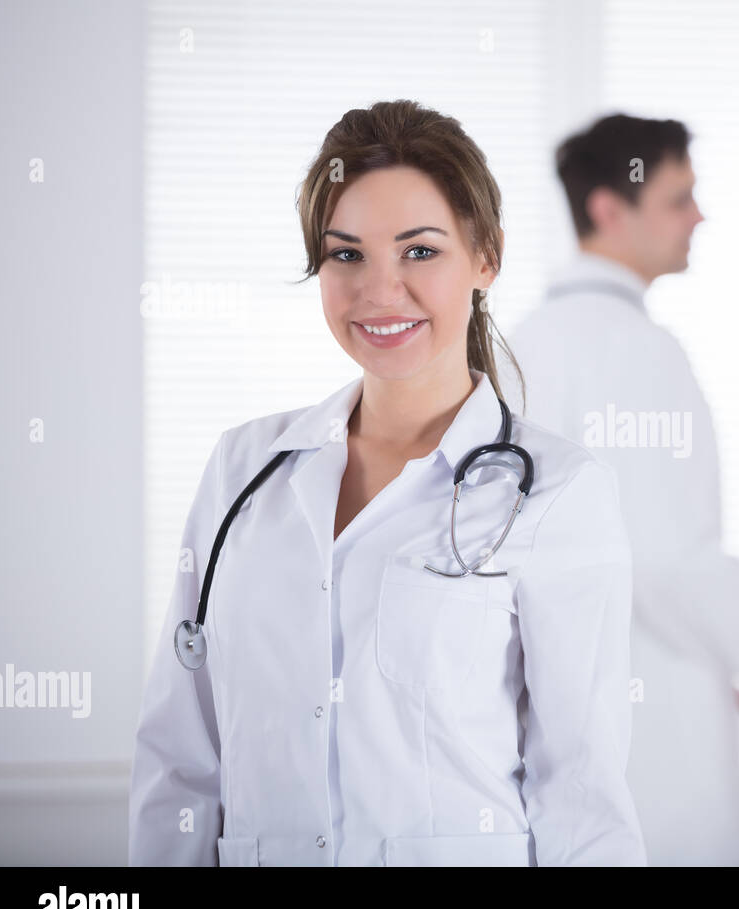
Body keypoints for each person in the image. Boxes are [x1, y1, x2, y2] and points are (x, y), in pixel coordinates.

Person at [128, 100, 646, 867]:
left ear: (486, 258)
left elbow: (582, 793)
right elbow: (180, 761)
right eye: (347, 255)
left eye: (420, 251)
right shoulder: (243, 471)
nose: (380, 290)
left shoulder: (560, 494)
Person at [509, 114, 739, 865]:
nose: (699, 216)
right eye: (679, 198)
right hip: (650, 747)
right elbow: (668, 555)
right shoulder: (632, 349)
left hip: (581, 715)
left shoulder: (528, 340)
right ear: (608, 208)